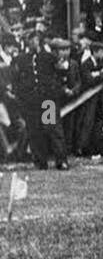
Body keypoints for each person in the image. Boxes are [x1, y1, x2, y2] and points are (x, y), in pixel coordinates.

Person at [13, 29, 70, 169]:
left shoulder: (49, 57)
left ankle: (61, 160)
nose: (33, 42)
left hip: (47, 99)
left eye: (36, 39)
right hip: (31, 100)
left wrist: (55, 88)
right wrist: (22, 95)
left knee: (52, 129)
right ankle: (40, 161)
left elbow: (62, 72)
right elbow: (17, 80)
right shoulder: (21, 59)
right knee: (35, 131)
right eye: (31, 39)